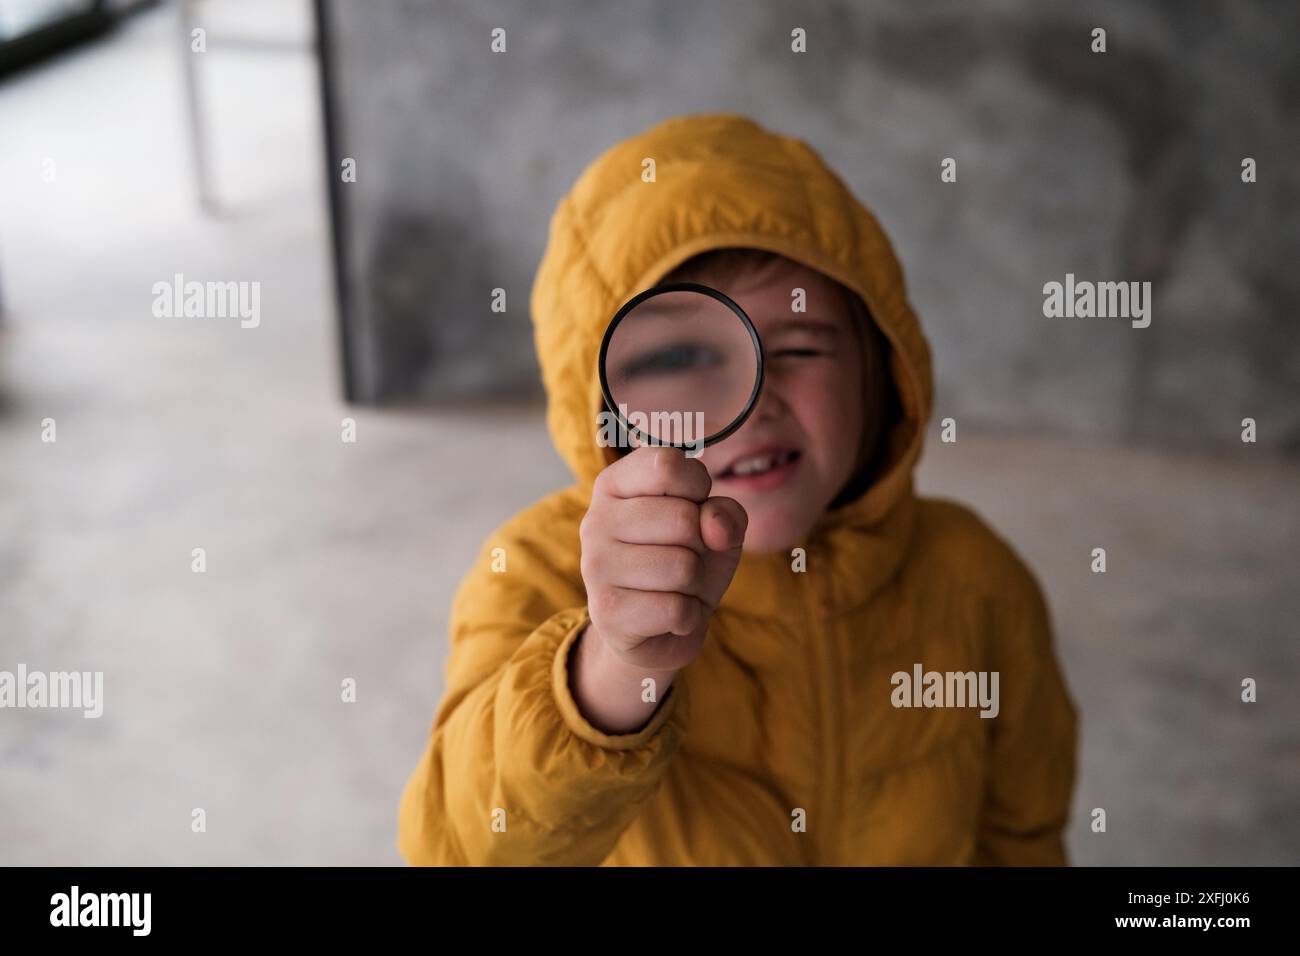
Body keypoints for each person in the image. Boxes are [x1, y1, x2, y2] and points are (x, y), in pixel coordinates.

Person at [397, 113, 1079, 865]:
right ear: (601, 409)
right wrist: (614, 669)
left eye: (800, 345)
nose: (753, 401)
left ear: (881, 370)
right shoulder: (535, 571)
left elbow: (1024, 835)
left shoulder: (976, 580)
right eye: (681, 357)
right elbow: (455, 850)